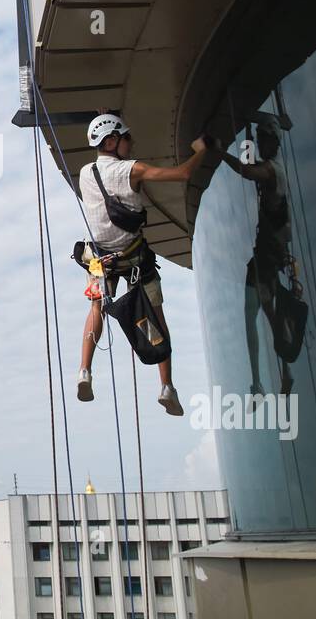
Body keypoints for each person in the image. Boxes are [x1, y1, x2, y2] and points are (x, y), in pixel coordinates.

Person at [75, 114, 210, 415]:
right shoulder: (132, 170)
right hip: (134, 257)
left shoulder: (85, 173)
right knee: (154, 316)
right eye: (126, 137)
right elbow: (183, 174)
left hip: (99, 259)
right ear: (111, 141)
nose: (131, 142)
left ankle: (84, 370)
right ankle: (166, 386)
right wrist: (201, 151)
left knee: (96, 309)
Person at [217, 115, 295, 398]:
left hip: (267, 253)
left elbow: (248, 172)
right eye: (260, 140)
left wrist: (220, 153)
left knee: (260, 310)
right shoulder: (275, 168)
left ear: (273, 142)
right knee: (259, 311)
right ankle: (267, 378)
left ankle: (266, 379)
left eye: (265, 140)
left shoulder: (272, 170)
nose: (261, 144)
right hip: (267, 252)